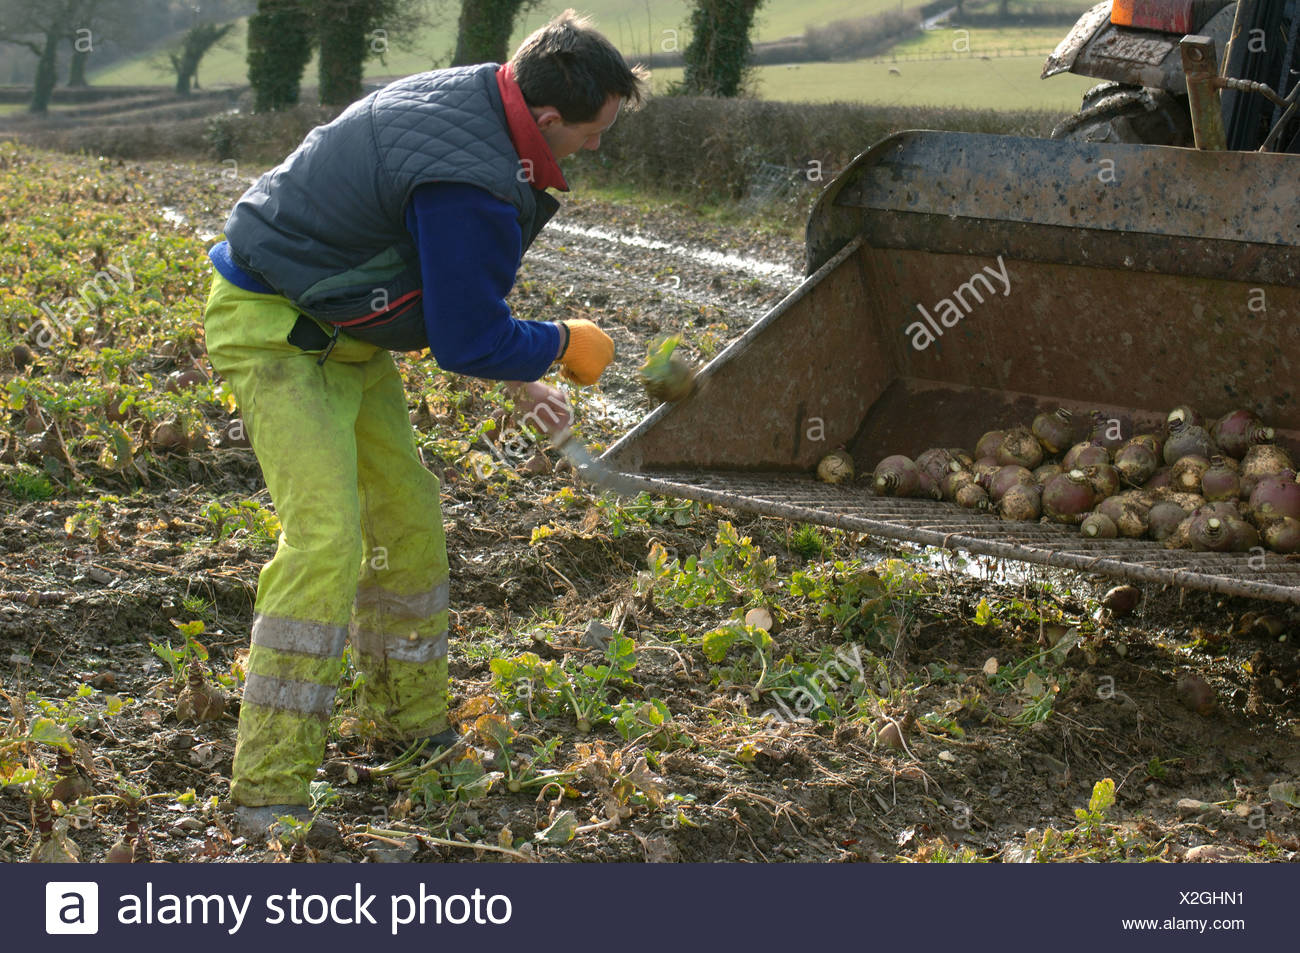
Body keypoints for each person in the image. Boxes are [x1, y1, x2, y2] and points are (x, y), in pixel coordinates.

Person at [201, 10, 647, 840]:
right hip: (276, 331)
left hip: (347, 334)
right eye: (594, 133)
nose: (595, 147)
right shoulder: (470, 175)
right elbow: (467, 334)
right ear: (546, 118)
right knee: (326, 539)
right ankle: (268, 790)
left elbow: (449, 286)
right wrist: (561, 345)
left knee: (409, 516)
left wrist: (518, 382)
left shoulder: (483, 100)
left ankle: (406, 727)